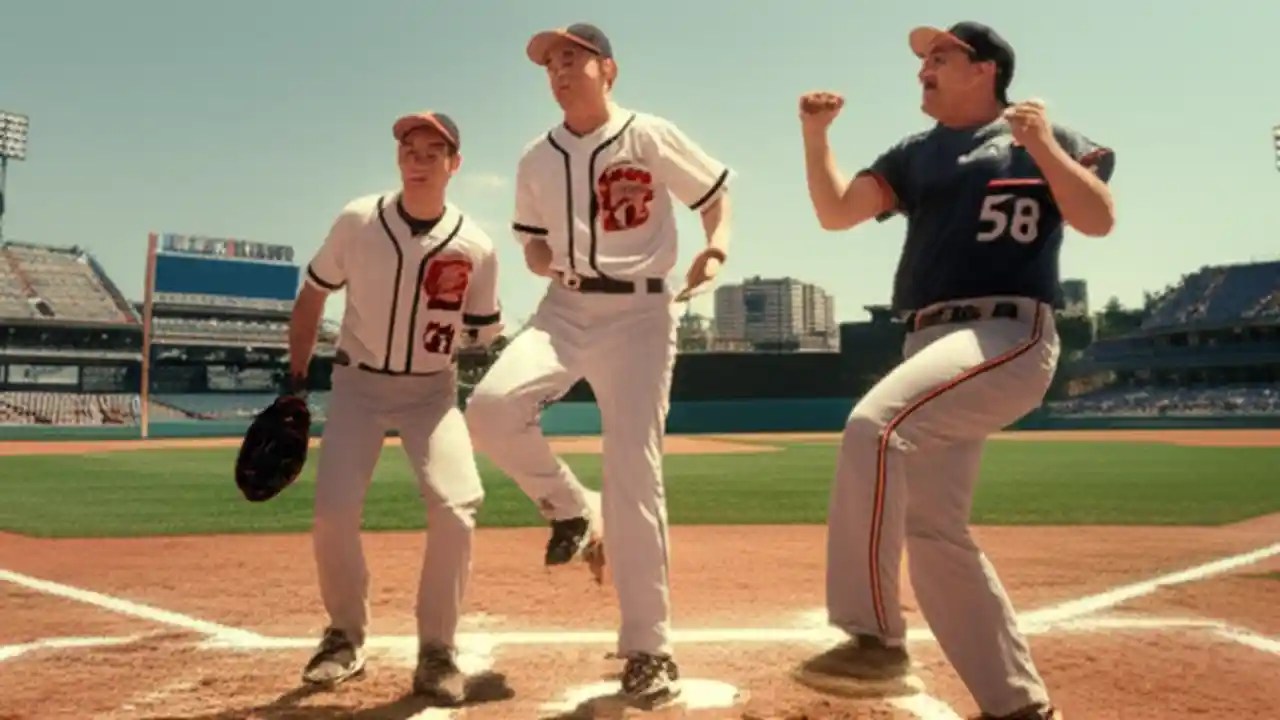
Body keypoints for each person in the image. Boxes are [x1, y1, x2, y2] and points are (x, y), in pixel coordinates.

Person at [791, 21, 1115, 720]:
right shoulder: (917, 153)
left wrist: (1044, 146)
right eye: (923, 59)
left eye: (940, 57)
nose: (923, 70)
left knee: (874, 428)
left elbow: (1097, 219)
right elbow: (837, 212)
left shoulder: (1046, 138)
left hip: (1006, 331)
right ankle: (1019, 707)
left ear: (986, 69)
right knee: (933, 531)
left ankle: (871, 637)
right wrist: (816, 138)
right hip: (931, 344)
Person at [463, 21, 733, 706]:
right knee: (491, 409)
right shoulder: (535, 158)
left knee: (635, 473)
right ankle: (572, 510)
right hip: (565, 309)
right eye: (550, 62)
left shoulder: (649, 134)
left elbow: (713, 196)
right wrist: (561, 265)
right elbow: (529, 248)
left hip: (642, 315)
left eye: (572, 58)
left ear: (607, 70)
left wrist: (717, 248)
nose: (558, 69)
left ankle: (649, 650)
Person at [288, 110, 504, 706]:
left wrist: (497, 357)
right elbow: (311, 294)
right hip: (357, 387)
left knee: (457, 506)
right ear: (398, 158)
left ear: (454, 164)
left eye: (434, 150)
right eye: (410, 147)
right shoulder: (359, 220)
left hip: (431, 395)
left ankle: (438, 651)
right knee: (332, 514)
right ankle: (344, 637)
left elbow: (485, 332)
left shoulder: (477, 246)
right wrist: (295, 379)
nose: (418, 157)